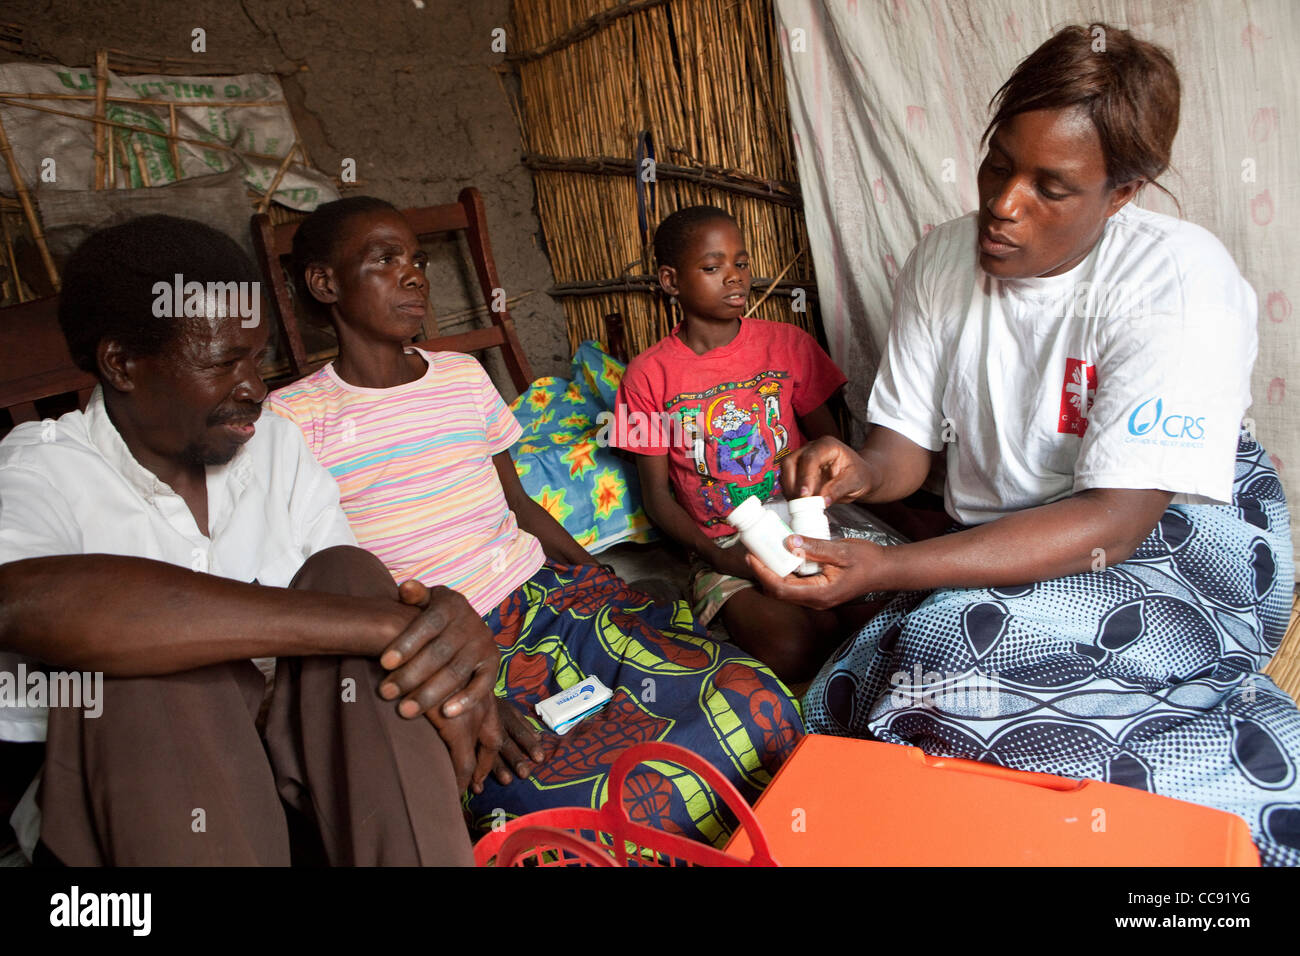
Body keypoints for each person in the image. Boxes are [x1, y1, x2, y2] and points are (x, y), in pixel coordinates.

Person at [749, 23, 1300, 866]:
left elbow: (1114, 524)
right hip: (1014, 541)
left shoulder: (1177, 283)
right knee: (911, 677)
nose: (1005, 204)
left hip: (1175, 527)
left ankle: (1239, 809)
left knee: (948, 659)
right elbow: (905, 457)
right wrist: (858, 472)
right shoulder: (942, 260)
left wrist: (891, 570)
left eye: (1053, 186)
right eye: (999, 163)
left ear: (1122, 195)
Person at [265, 197, 802, 846]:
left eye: (418, 260)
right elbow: (315, 578)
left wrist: (599, 575)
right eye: (385, 260)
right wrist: (439, 677)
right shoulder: (294, 420)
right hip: (442, 639)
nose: (414, 276)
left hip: (552, 598)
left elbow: (518, 506)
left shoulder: (462, 378)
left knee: (750, 695)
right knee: (540, 791)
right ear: (325, 284)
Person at [0, 215, 506, 866]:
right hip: (141, 821)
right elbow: (20, 602)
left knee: (348, 574)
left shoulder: (273, 447)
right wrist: (384, 628)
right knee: (148, 656)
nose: (254, 390)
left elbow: (351, 609)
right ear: (122, 364)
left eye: (258, 359)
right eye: (222, 363)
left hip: (304, 785)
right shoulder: (39, 468)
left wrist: (436, 657)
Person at [613, 205, 852, 682]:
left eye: (740, 264)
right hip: (724, 541)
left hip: (809, 518)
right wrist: (722, 558)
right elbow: (657, 499)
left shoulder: (787, 344)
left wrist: (815, 517)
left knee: (861, 619)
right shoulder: (647, 375)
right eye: (712, 267)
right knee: (791, 651)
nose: (734, 278)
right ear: (670, 280)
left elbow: (831, 444)